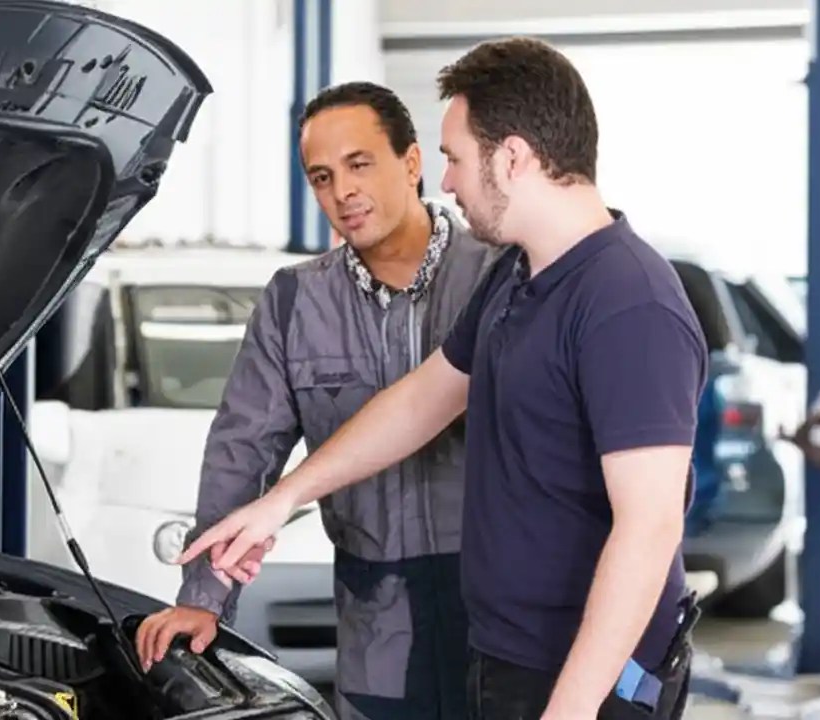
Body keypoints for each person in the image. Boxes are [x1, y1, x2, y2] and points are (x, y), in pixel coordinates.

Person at [178, 38, 708, 720]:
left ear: (512, 158)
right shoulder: (517, 281)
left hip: (584, 681)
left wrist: (569, 712)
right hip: (508, 660)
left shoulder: (627, 302)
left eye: (455, 158)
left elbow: (649, 527)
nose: (449, 182)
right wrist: (280, 501)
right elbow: (421, 401)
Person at [134, 81, 499, 720]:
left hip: (499, 601)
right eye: (322, 176)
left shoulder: (497, 275)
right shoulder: (295, 303)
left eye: (360, 165)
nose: (343, 192)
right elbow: (242, 452)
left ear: (412, 163)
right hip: (377, 615)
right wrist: (203, 597)